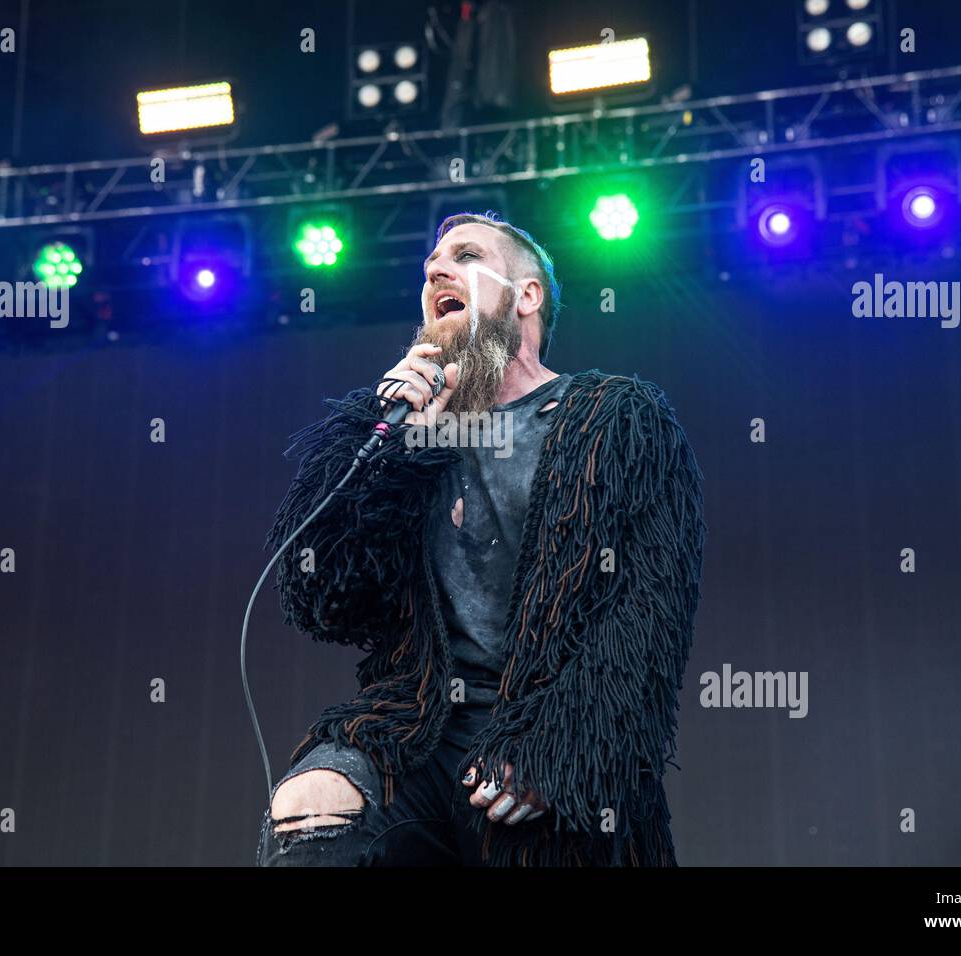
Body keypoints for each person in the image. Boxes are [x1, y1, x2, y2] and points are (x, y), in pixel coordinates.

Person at [256, 211, 705, 866]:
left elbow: (649, 613)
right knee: (311, 805)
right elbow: (321, 598)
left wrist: (560, 749)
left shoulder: (616, 417)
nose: (436, 269)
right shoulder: (407, 430)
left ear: (527, 296)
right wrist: (389, 450)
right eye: (431, 264)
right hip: (415, 730)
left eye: (465, 255)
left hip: (547, 733)